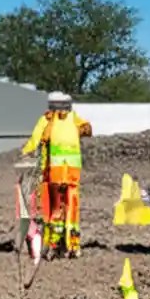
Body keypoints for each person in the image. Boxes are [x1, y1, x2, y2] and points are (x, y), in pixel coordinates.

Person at [20, 91, 93, 259]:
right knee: (71, 208)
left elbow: (35, 141)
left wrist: (24, 155)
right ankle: (72, 245)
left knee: (54, 209)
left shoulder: (47, 120)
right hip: (71, 173)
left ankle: (54, 244)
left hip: (55, 173)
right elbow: (87, 130)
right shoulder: (73, 119)